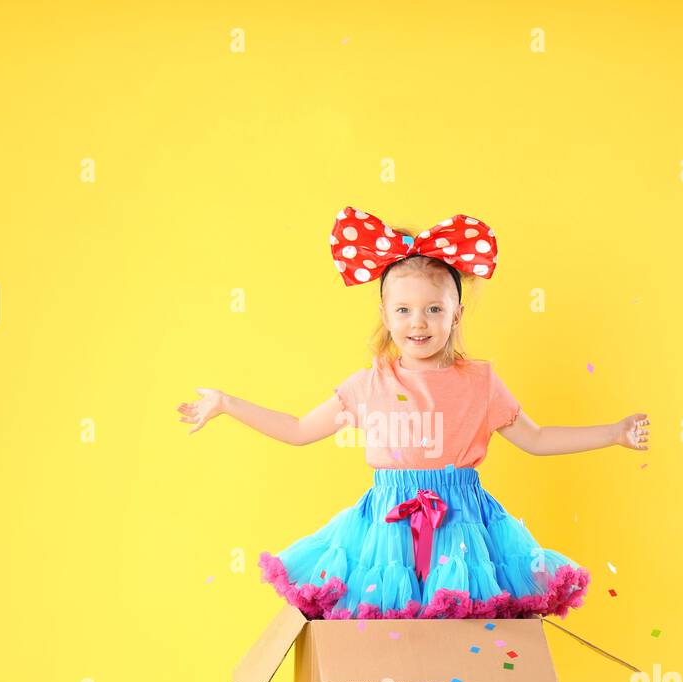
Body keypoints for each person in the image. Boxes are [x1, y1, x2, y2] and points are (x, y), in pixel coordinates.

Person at [178, 206, 649, 619]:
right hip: (385, 536)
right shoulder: (369, 385)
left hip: (464, 529)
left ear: (456, 314)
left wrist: (614, 432)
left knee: (460, 641)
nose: (417, 322)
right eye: (403, 310)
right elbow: (299, 429)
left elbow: (538, 438)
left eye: (433, 309)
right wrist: (226, 404)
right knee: (390, 638)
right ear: (385, 314)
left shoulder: (481, 383)